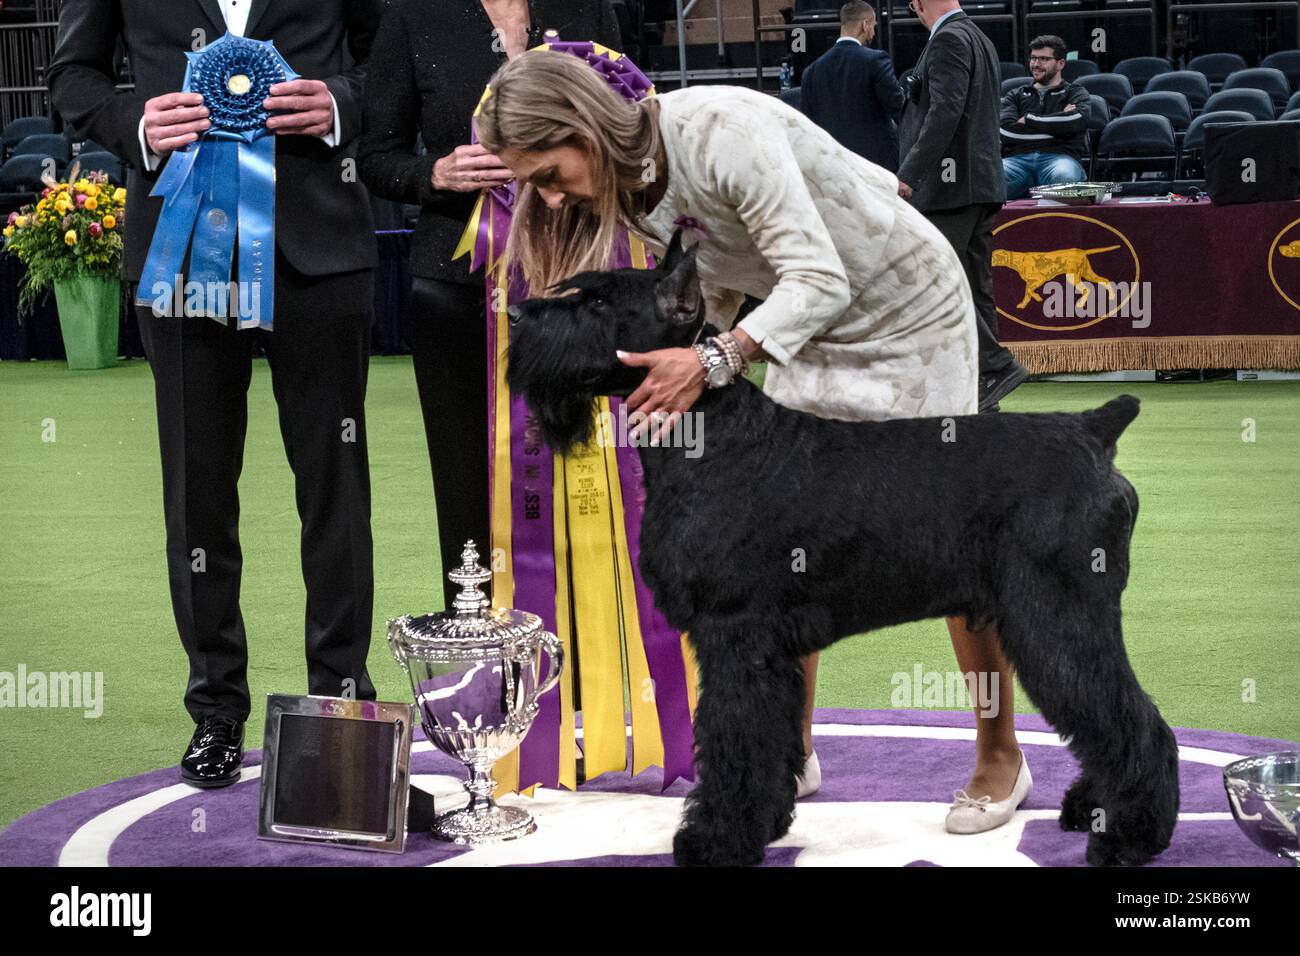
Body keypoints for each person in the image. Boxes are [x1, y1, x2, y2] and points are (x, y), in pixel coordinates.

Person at [476, 50, 1031, 829]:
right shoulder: (624, 177)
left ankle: (1000, 752)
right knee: (780, 535)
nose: (548, 194)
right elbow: (726, 268)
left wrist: (714, 356)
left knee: (949, 542)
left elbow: (823, 278)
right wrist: (718, 341)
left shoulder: (720, 131)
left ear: (582, 129)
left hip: (902, 311)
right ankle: (783, 755)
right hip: (795, 325)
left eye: (547, 172)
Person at [47, 0, 383, 787]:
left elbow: (384, 65)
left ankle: (341, 704)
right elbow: (71, 74)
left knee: (335, 487)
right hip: (179, 242)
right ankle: (216, 713)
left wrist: (338, 101)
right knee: (197, 494)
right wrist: (136, 123)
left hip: (321, 250)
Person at [357, 0, 621, 612]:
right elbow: (375, 158)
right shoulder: (410, 17)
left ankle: (591, 654)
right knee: (464, 479)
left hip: (580, 279)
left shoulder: (589, 9)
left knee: (586, 465)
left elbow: (629, 123)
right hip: (453, 285)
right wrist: (435, 174)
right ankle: (480, 649)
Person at [897, 0, 1028, 415]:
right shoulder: (978, 37)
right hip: (979, 185)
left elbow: (945, 112)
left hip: (951, 192)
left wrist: (909, 175)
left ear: (919, 5)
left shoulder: (950, 39)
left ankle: (994, 366)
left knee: (944, 285)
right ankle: (981, 393)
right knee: (974, 287)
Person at [799, 1, 904, 171]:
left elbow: (807, 126)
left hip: (832, 167)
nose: (873, 33)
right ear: (865, 25)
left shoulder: (811, 71)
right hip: (875, 165)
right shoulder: (875, 60)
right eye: (873, 27)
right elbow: (898, 107)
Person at [1000, 35, 1090, 198]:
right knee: (989, 178)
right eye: (1033, 58)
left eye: (1043, 59)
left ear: (1060, 63)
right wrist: (1060, 126)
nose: (1035, 64)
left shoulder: (1075, 92)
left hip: (1060, 158)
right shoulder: (1016, 94)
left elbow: (1077, 121)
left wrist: (1028, 120)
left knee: (1065, 177)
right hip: (1017, 161)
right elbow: (1005, 132)